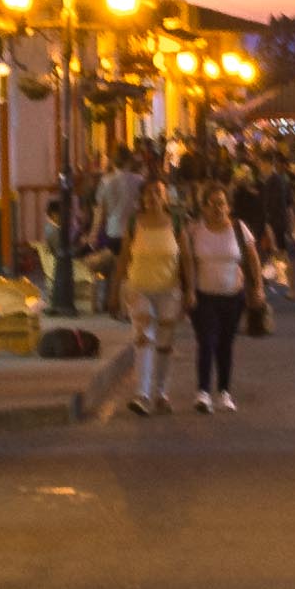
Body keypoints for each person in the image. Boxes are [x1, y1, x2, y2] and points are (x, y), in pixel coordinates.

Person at [179, 179, 258, 413]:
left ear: (228, 206)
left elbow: (252, 258)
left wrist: (258, 288)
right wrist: (190, 291)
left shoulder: (238, 228)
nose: (218, 208)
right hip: (204, 297)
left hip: (233, 296)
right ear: (203, 207)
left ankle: (224, 391)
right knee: (206, 342)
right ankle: (203, 392)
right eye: (212, 204)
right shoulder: (195, 230)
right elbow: (188, 263)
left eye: (222, 203)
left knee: (226, 344)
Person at [117, 177, 190, 416]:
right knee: (143, 338)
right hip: (139, 288)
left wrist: (190, 290)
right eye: (148, 194)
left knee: (165, 343)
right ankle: (142, 393)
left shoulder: (177, 223)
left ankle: (161, 392)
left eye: (158, 193)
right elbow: (123, 258)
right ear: (142, 199)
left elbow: (186, 259)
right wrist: (113, 290)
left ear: (166, 197)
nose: (153, 198)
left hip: (169, 290)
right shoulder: (133, 224)